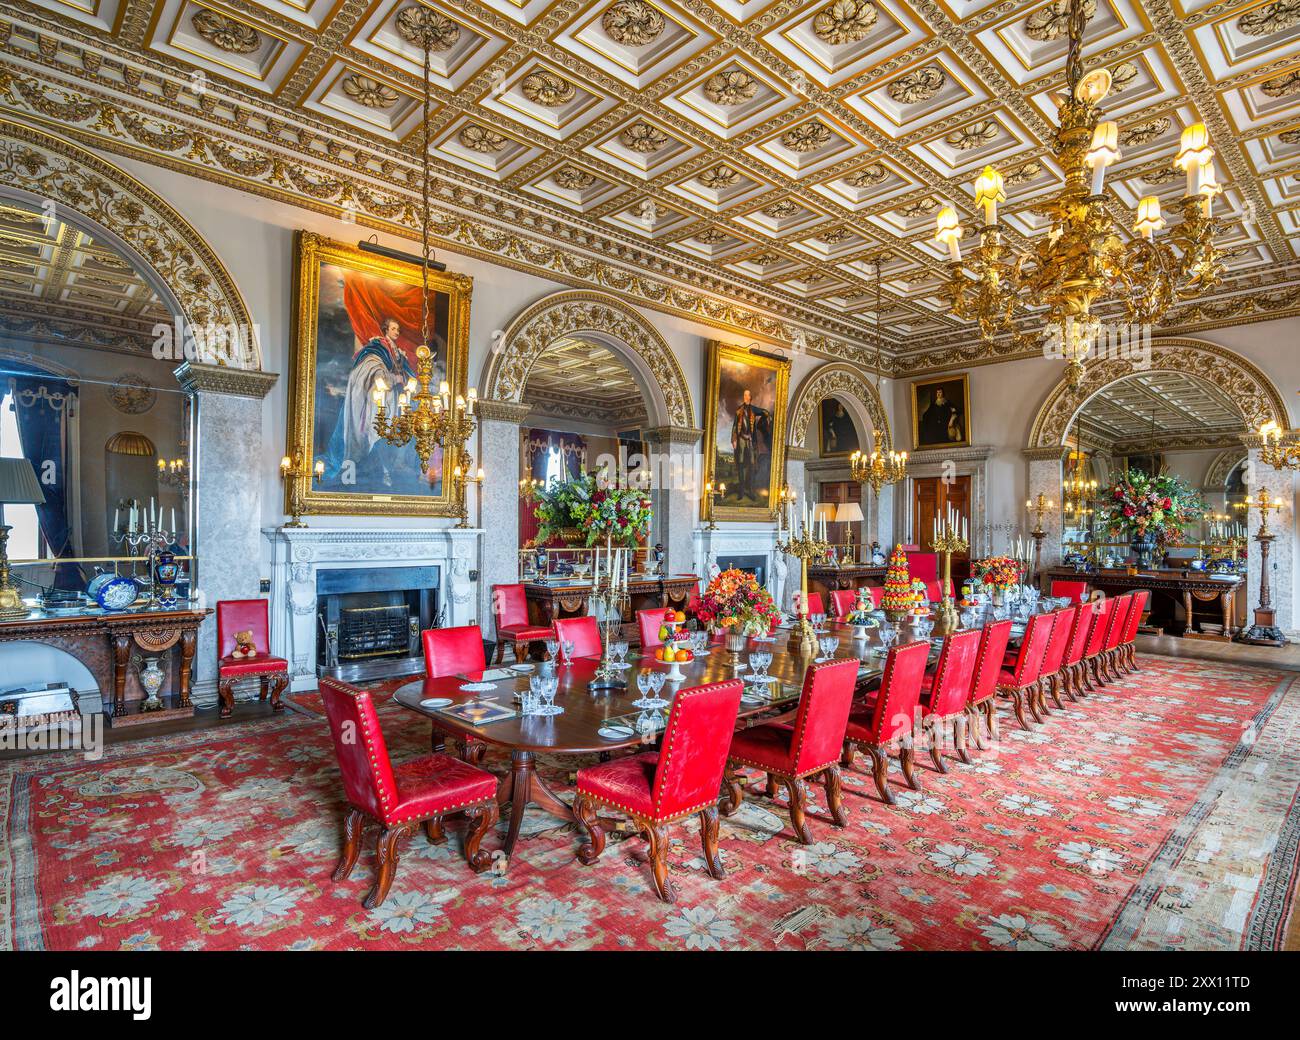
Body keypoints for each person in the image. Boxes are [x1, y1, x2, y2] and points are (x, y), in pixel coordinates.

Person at [321, 317, 416, 488]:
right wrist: (394, 378)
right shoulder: (377, 348)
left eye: (398, 329)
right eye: (393, 328)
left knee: (394, 430)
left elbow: (406, 373)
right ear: (386, 330)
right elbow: (372, 370)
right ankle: (371, 468)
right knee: (374, 430)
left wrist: (405, 377)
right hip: (377, 399)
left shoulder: (397, 352)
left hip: (393, 398)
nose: (396, 332)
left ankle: (389, 467)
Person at [731, 388, 770, 501]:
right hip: (742, 440)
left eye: (747, 395)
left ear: (750, 397)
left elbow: (765, 412)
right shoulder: (739, 410)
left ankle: (751, 491)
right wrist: (734, 439)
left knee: (752, 466)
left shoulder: (753, 409)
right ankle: (741, 491)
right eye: (744, 395)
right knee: (741, 464)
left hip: (751, 441)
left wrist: (766, 420)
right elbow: (734, 425)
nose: (745, 397)